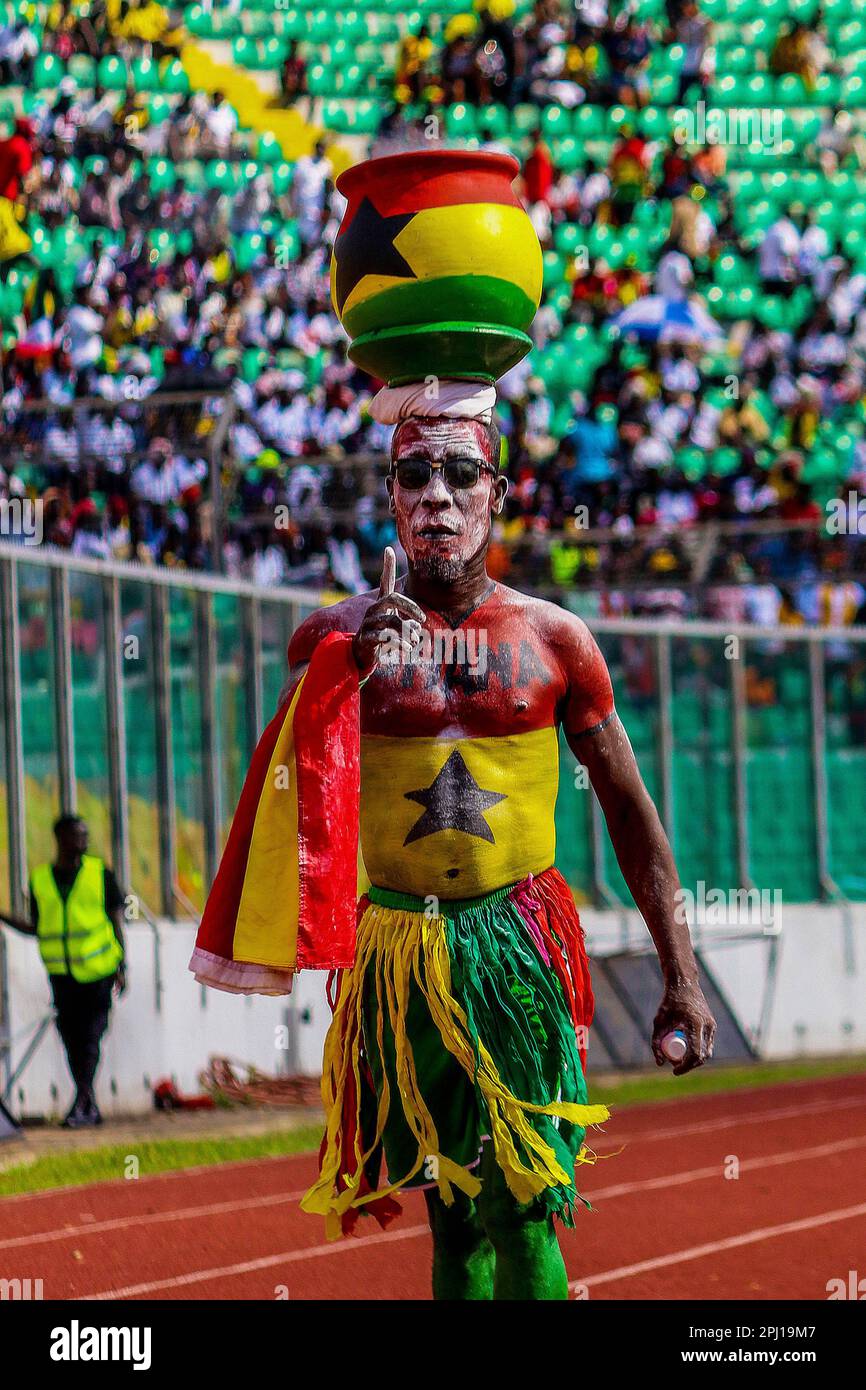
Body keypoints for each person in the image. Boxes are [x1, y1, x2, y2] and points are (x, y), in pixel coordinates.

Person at [284, 405, 716, 1299]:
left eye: (460, 476)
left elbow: (630, 811)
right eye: (414, 477)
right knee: (450, 1208)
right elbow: (288, 789)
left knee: (522, 1201)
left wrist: (683, 971)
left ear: (499, 494)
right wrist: (342, 673)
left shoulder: (554, 639)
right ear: (389, 499)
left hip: (515, 949)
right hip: (401, 953)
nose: (437, 497)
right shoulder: (332, 637)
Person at [0, 815, 127, 1128]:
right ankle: (87, 1104)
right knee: (71, 1038)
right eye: (76, 835)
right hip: (61, 975)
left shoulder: (101, 874)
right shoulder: (41, 880)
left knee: (91, 1036)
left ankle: (82, 1101)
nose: (83, 840)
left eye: (85, 834)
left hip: (98, 972)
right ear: (60, 838)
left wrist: (123, 965)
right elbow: (36, 928)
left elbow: (116, 921)